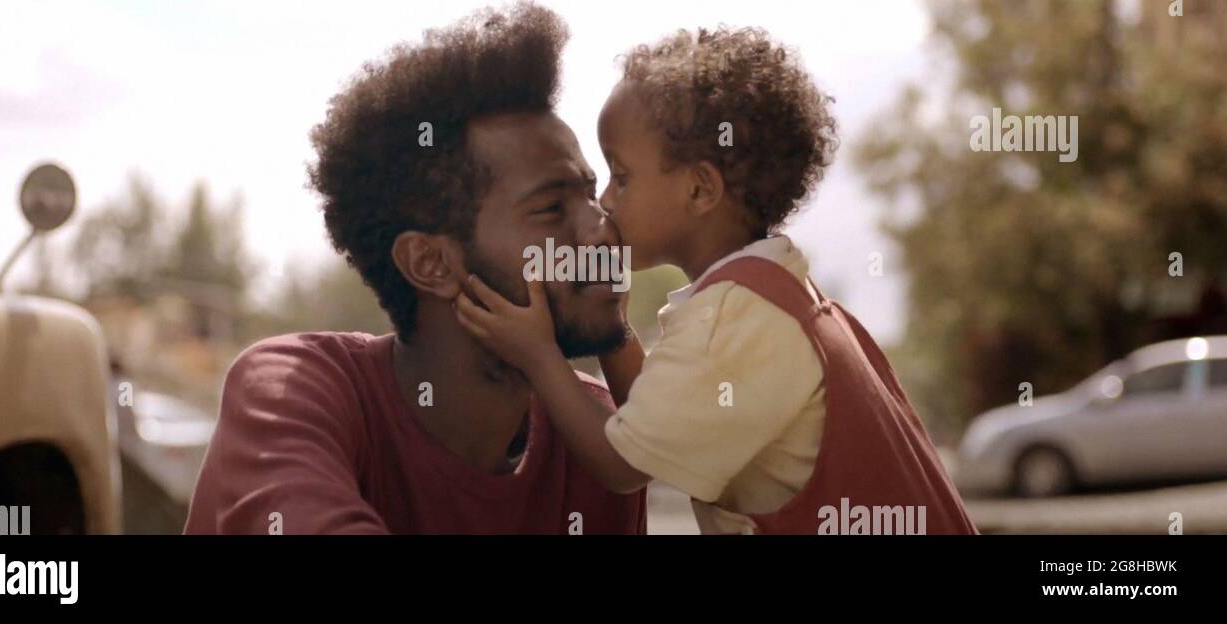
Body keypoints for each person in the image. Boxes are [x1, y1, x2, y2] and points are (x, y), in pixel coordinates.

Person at [455, 26, 977, 534]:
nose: (606, 202)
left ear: (701, 190)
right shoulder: (774, 295)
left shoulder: (729, 319)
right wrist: (614, 331)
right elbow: (659, 425)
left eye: (622, 176)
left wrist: (539, 355)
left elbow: (625, 463)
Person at [185, 2, 645, 534]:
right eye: (550, 209)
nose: (602, 230)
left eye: (592, 194)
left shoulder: (597, 438)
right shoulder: (293, 391)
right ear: (430, 263)